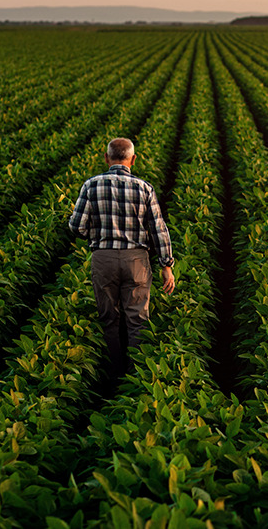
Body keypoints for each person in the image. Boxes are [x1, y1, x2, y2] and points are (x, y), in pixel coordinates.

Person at [68, 137, 175, 384]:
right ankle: (137, 377)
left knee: (108, 318)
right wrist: (166, 265)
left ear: (106, 158)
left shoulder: (91, 185)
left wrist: (94, 232)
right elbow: (158, 229)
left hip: (103, 257)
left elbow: (76, 226)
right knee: (137, 319)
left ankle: (112, 374)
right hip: (136, 260)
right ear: (133, 159)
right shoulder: (144, 188)